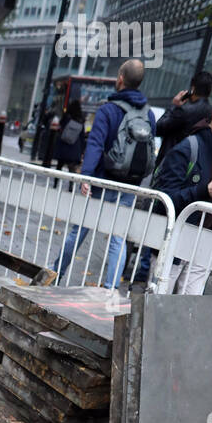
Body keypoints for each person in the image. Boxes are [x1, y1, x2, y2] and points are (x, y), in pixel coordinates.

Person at [56, 59, 156, 287]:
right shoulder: (148, 115)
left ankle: (55, 273)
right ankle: (111, 288)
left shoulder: (108, 110)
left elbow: (95, 145)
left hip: (102, 182)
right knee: (117, 239)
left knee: (78, 231)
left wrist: (87, 177)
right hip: (129, 186)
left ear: (120, 79)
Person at [153, 86, 212, 293]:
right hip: (175, 248)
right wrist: (204, 191)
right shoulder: (187, 148)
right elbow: (165, 201)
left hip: (205, 246)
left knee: (187, 310)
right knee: (158, 309)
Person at [154, 71, 212, 164]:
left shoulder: (183, 111)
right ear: (210, 90)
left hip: (170, 162)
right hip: (193, 165)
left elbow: (158, 128)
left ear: (193, 88)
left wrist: (174, 106)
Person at [53, 97, 86, 174]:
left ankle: (55, 183)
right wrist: (81, 150)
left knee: (59, 165)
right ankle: (71, 185)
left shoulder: (67, 117)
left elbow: (61, 127)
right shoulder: (81, 120)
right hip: (74, 147)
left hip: (63, 145)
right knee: (71, 168)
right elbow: (82, 137)